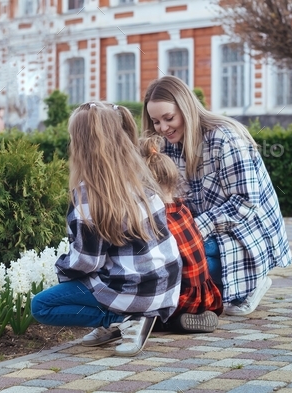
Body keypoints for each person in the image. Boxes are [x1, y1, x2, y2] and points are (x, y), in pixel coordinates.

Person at [31, 102, 182, 357]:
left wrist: (60, 270)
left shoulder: (89, 196)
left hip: (134, 291)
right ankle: (125, 321)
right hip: (166, 286)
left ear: (81, 144)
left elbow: (86, 263)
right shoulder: (141, 178)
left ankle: (123, 320)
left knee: (41, 306)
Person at [142, 75, 292, 316]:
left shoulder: (225, 138)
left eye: (169, 118)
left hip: (245, 231)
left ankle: (251, 283)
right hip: (201, 230)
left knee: (182, 271)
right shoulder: (166, 144)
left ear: (186, 108)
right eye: (156, 121)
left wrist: (191, 229)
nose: (162, 127)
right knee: (167, 265)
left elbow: (245, 203)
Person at [139, 135, 223, 333]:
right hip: (205, 295)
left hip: (180, 298)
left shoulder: (156, 221)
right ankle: (196, 314)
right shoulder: (182, 209)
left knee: (138, 313)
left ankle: (171, 322)